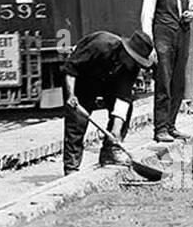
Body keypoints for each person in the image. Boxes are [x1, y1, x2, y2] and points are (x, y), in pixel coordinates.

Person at [61, 29, 155, 174]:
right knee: (77, 121)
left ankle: (110, 152)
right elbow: (71, 68)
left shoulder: (130, 67)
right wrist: (71, 95)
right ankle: (71, 167)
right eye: (133, 59)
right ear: (126, 51)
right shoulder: (100, 45)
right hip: (83, 78)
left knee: (126, 110)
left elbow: (123, 98)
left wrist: (116, 131)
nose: (133, 64)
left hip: (110, 82)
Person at [140, 0, 193, 143]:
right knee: (163, 83)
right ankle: (160, 129)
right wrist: (150, 46)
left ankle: (171, 125)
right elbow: (146, 16)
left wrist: (191, 15)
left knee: (178, 84)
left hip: (182, 36)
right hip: (162, 36)